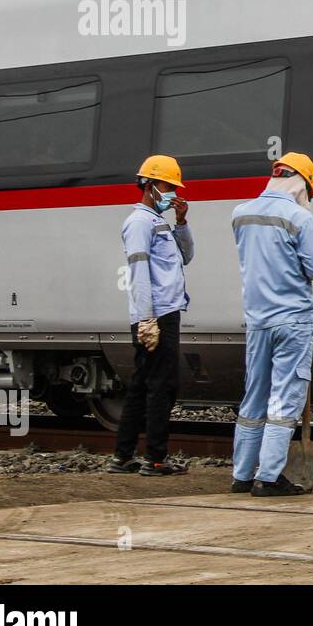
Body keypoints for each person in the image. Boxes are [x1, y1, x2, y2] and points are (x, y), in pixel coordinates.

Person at [230, 153, 313, 496]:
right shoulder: (301, 218)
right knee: (284, 400)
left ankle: (242, 475)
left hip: (257, 320)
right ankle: (268, 478)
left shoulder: (241, 215)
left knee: (253, 397)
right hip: (293, 320)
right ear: (302, 184)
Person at [108, 155, 195, 475]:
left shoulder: (158, 222)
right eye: (168, 186)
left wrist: (182, 223)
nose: (172, 193)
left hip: (162, 313)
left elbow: (186, 256)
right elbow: (139, 273)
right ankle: (155, 459)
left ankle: (123, 456)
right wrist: (147, 319)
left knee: (142, 385)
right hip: (157, 316)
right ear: (149, 186)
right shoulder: (139, 223)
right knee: (163, 385)